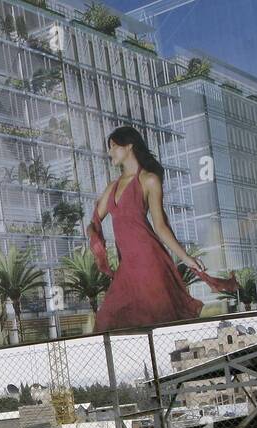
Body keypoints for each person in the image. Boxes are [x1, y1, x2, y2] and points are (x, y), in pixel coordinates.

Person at [86, 126, 239, 330]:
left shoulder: (149, 179)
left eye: (114, 146)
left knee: (157, 318)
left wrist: (186, 258)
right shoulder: (112, 187)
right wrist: (94, 238)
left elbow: (160, 226)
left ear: (129, 145)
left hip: (149, 259)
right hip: (127, 264)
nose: (110, 152)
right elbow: (94, 220)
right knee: (107, 320)